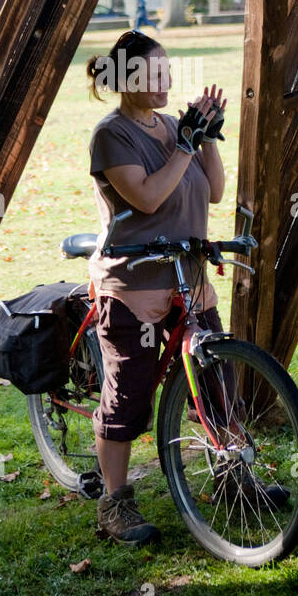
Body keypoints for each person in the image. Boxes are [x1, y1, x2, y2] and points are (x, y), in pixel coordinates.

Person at [85, 29, 225, 545]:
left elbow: (214, 193)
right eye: (153, 73)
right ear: (125, 79)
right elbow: (146, 198)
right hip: (133, 283)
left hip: (187, 276)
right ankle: (114, 503)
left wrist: (203, 135)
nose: (165, 80)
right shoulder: (112, 135)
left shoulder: (171, 127)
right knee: (129, 395)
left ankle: (233, 474)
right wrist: (185, 146)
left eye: (168, 70)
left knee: (217, 377)